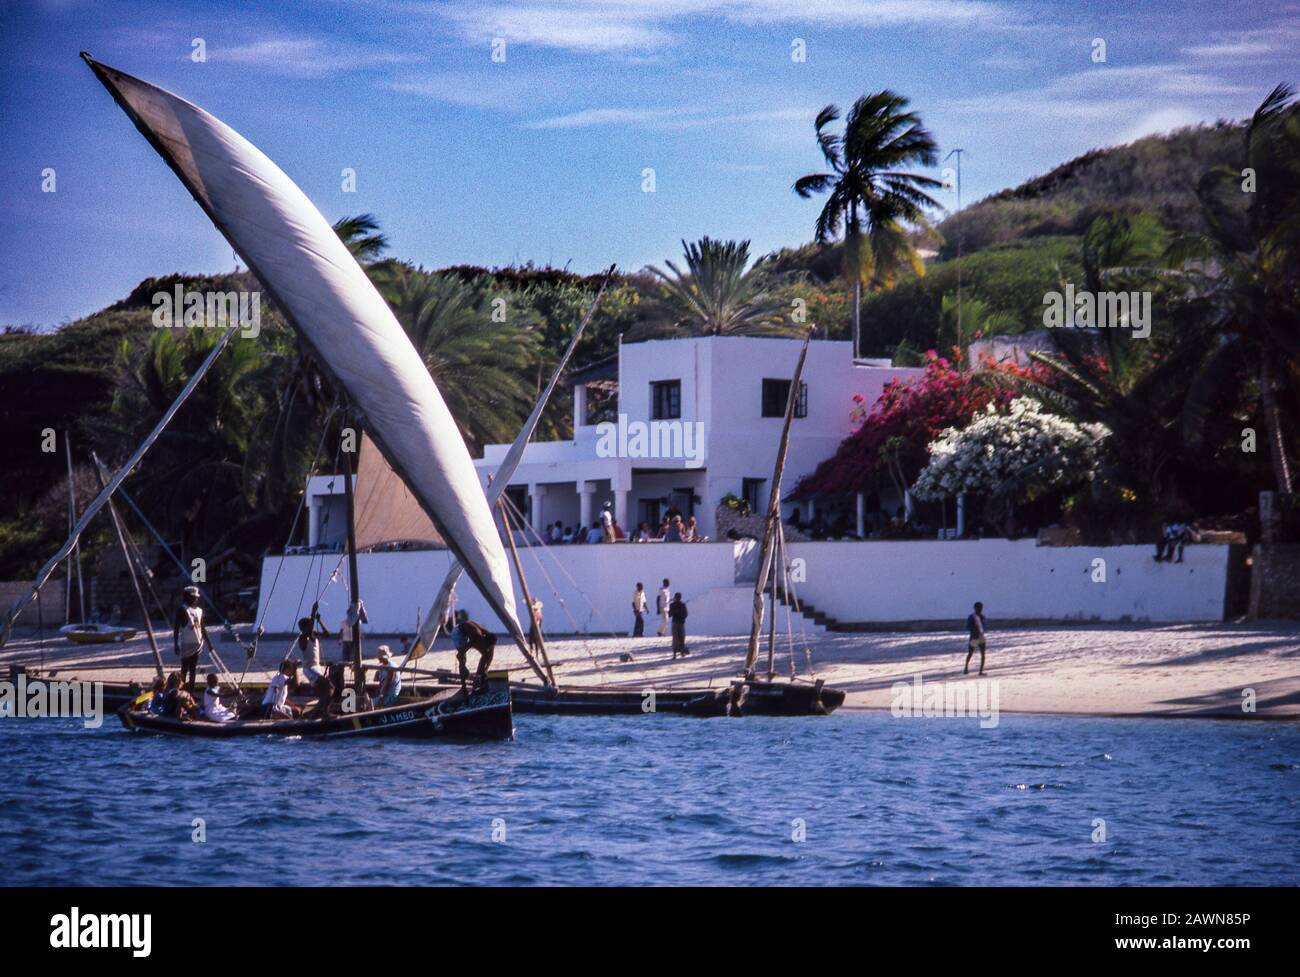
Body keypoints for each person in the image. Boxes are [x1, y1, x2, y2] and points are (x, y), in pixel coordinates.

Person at [172, 585, 210, 693]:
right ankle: (182, 691)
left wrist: (209, 643)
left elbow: (203, 628)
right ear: (186, 597)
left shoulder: (199, 610)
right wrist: (176, 644)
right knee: (184, 669)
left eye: (196, 597)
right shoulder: (182, 609)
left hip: (198, 644)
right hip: (187, 644)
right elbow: (176, 628)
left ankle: (191, 693)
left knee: (193, 670)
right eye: (193, 597)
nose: (195, 599)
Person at [451, 610, 496, 693]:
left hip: (469, 631)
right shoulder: (476, 636)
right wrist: (461, 657)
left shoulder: (486, 634)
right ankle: (463, 687)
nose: (487, 647)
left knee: (486, 653)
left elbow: (490, 653)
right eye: (487, 645)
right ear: (484, 640)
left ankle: (479, 676)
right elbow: (460, 654)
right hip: (458, 632)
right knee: (462, 658)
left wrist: (485, 669)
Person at [964, 601, 987, 676]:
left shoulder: (983, 617)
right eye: (978, 608)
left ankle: (980, 671)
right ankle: (966, 668)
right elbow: (968, 626)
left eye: (981, 608)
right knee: (970, 653)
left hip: (981, 637)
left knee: (983, 654)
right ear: (975, 608)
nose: (980, 609)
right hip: (974, 638)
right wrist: (974, 628)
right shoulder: (972, 617)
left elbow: (984, 627)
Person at [668, 592, 690, 659]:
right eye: (677, 597)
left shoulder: (682, 605)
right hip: (675, 623)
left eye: (678, 597)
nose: (677, 598)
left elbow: (686, 614)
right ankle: (675, 654)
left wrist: (680, 613)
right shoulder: (672, 605)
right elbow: (669, 614)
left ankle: (682, 652)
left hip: (681, 623)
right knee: (675, 639)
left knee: (682, 638)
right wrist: (675, 612)